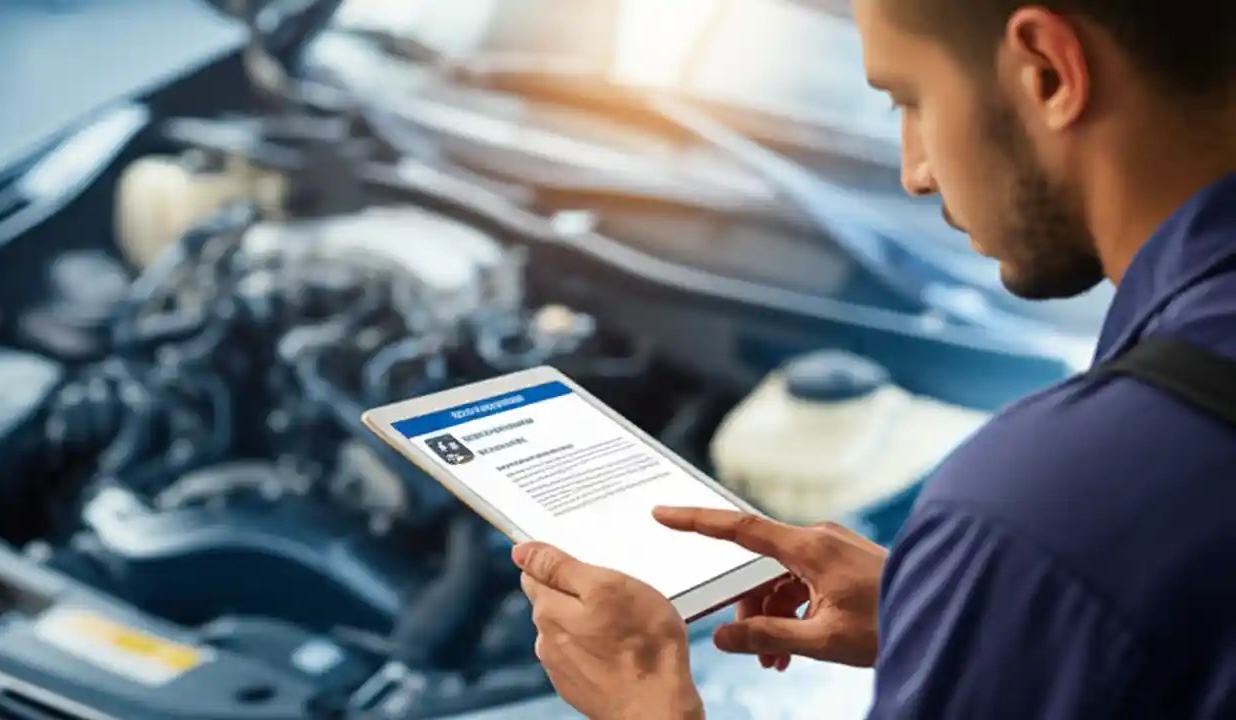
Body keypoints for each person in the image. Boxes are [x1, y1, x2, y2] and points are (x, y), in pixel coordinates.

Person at [511, 0, 1236, 718]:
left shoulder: (1047, 510)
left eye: (908, 100)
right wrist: (975, 618)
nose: (915, 171)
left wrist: (646, 706)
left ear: (1046, 71)